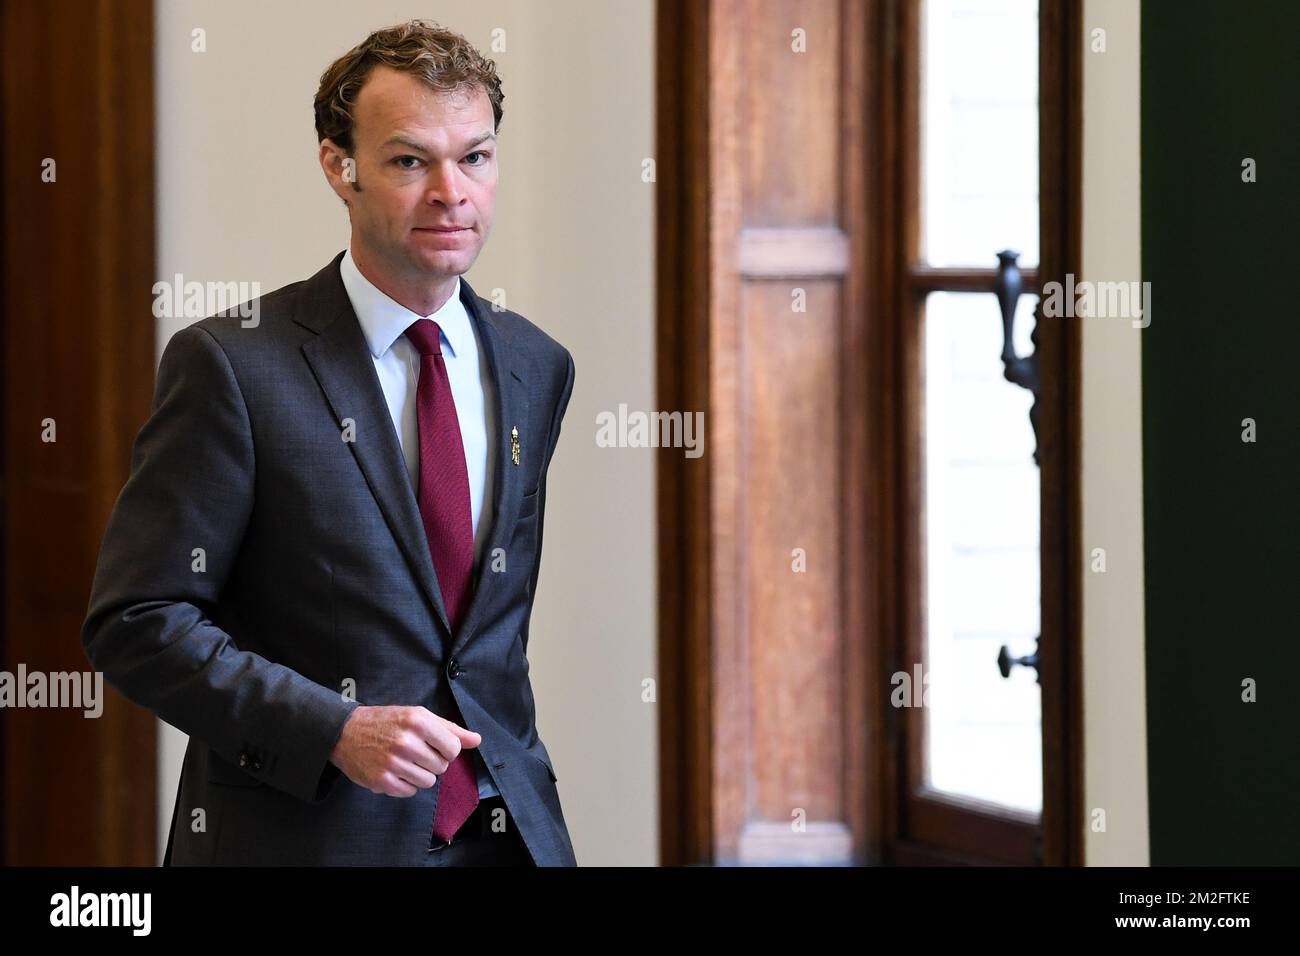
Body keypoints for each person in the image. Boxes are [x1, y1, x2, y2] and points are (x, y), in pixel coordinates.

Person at [81, 19, 577, 866]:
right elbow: (138, 621)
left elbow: (480, 642)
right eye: (409, 160)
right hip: (302, 838)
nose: (451, 192)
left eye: (476, 158)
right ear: (338, 168)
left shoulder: (537, 364)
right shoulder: (233, 365)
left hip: (509, 838)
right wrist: (334, 729)